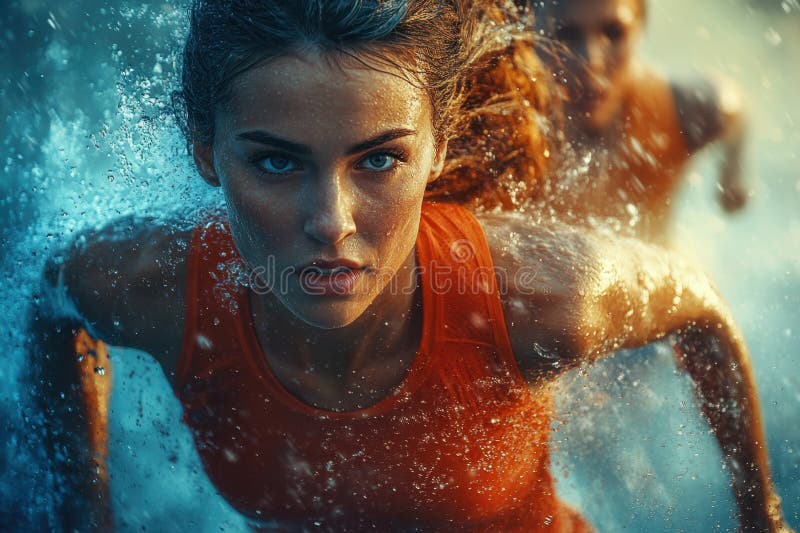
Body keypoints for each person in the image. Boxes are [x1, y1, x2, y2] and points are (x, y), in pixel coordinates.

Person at [29, 1, 788, 531]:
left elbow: (702, 307)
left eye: (380, 159)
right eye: (274, 161)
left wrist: (764, 517)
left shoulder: (534, 296)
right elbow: (49, 304)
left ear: (439, 145)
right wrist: (81, 509)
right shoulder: (158, 288)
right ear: (206, 150)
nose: (331, 223)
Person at [530, 0, 749, 241]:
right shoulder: (505, 129)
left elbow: (733, 108)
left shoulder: (676, 109)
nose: (592, 61)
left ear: (640, 30)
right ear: (529, 38)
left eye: (614, 33)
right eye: (566, 35)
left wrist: (733, 172)